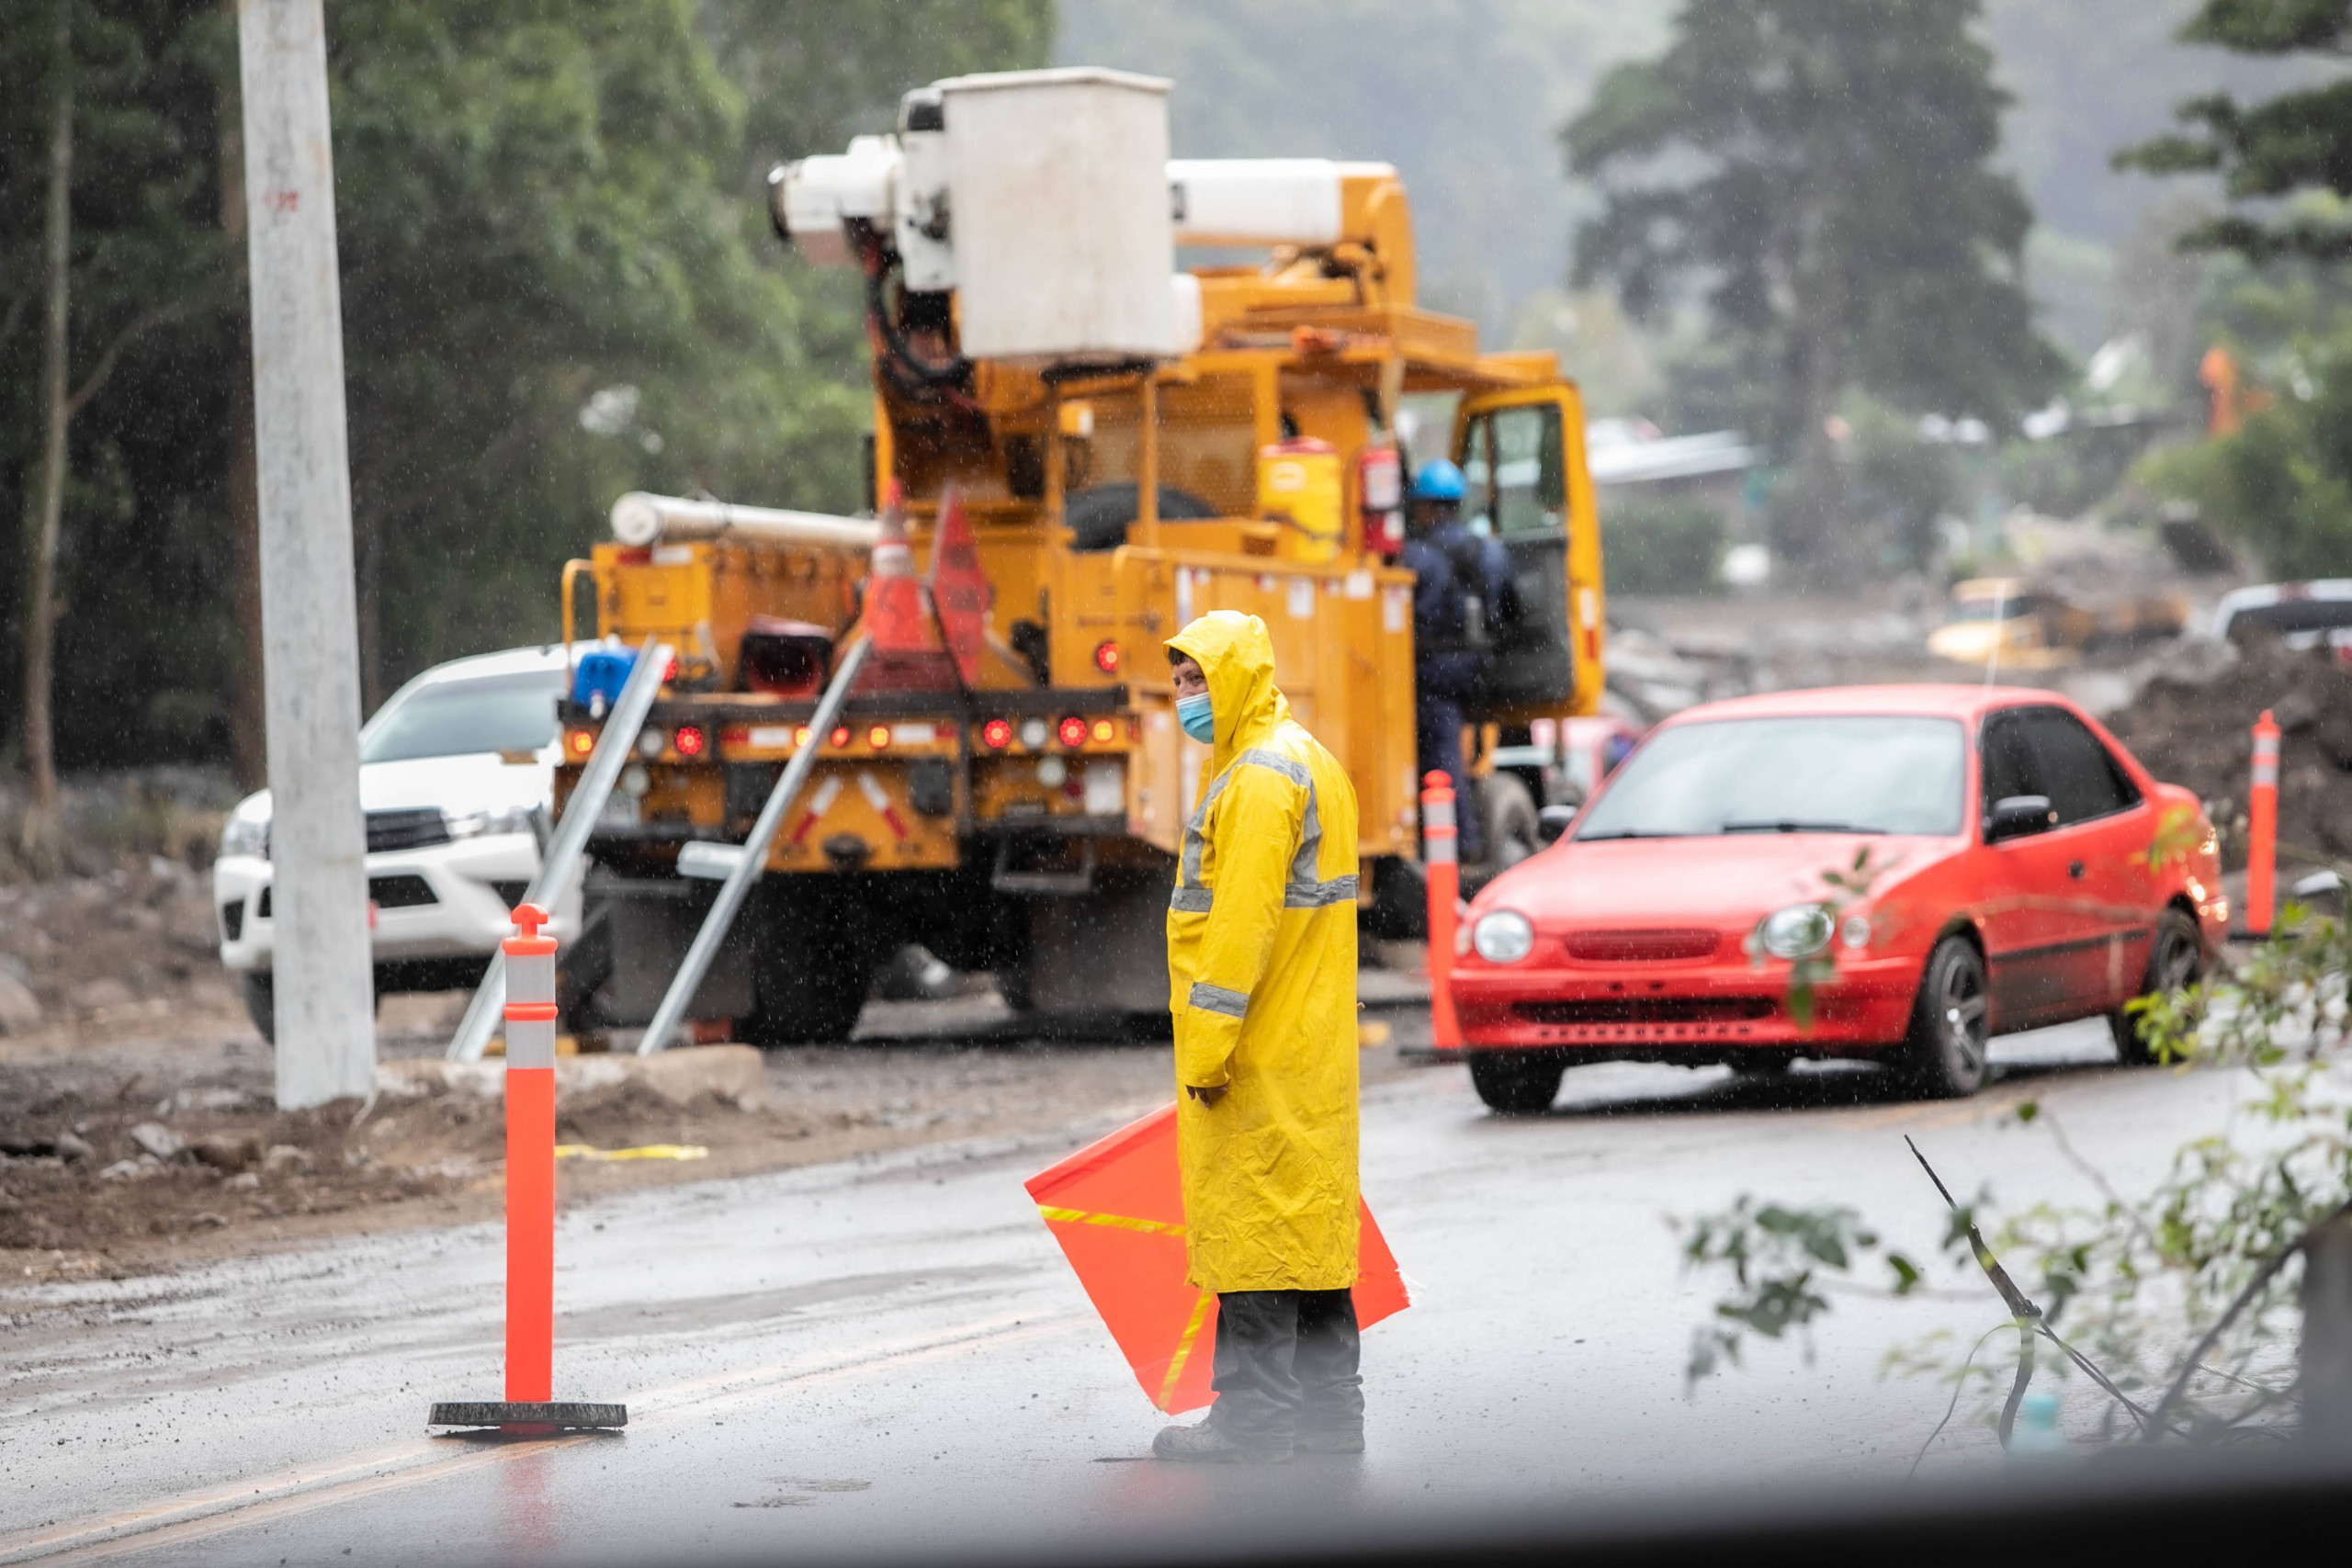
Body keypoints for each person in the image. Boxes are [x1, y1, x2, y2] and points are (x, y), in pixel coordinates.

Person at [1156, 610, 1364, 1465]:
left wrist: (1206, 1051)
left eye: (1197, 679)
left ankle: (1252, 1424)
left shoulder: (1257, 781)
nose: (1184, 697)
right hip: (1311, 1048)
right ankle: (1329, 1416)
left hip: (1257, 1047)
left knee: (1255, 1237)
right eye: (1176, 682)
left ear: (1239, 675)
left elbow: (1235, 937)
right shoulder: (1311, 761)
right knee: (1310, 1232)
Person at [1397, 458, 1515, 862]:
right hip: (1476, 668)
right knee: (1451, 747)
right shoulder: (1489, 550)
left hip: (1432, 671)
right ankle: (1458, 840)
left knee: (1439, 753)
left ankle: (1457, 845)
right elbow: (1511, 609)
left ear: (1424, 507)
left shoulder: (1416, 555)